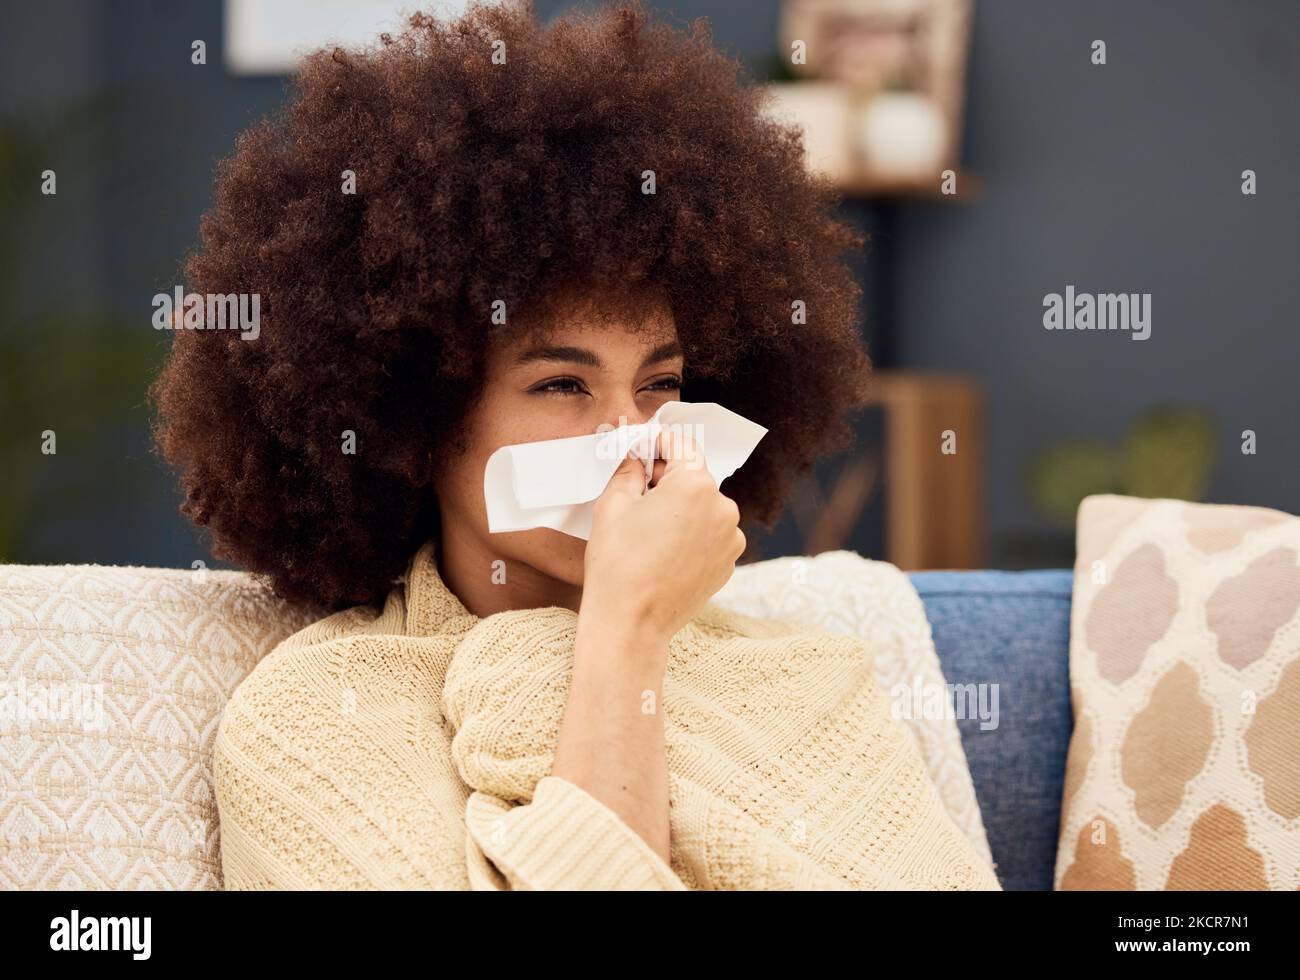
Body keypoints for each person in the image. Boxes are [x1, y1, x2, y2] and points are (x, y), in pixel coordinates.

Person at [151, 0, 1000, 890]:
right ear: (420, 422)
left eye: (661, 385)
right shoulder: (314, 724)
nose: (631, 439)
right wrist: (626, 627)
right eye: (562, 385)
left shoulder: (807, 677)